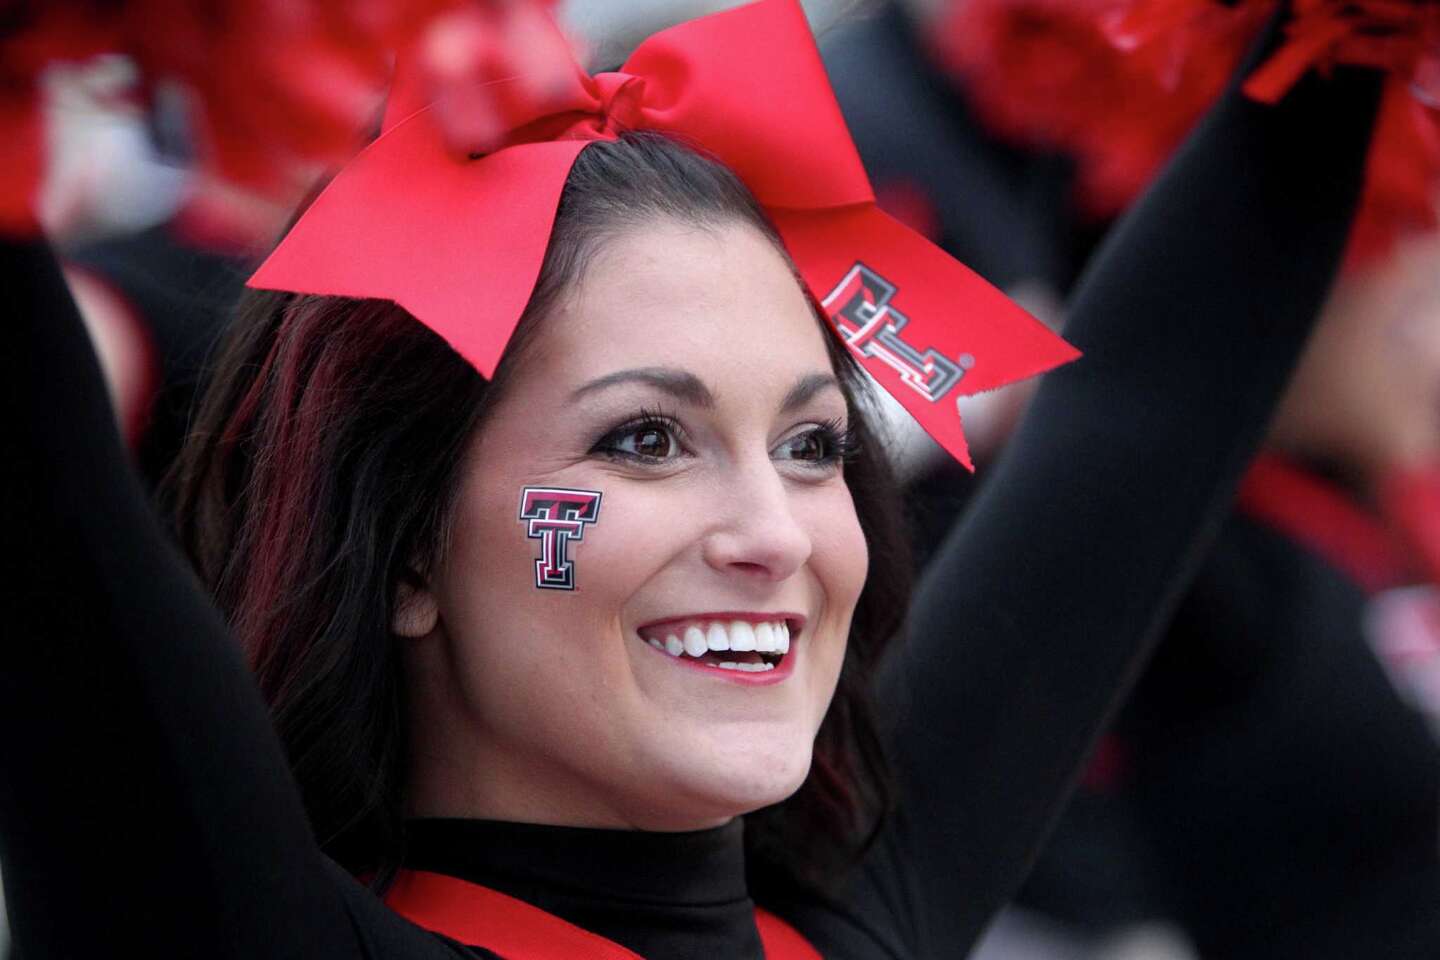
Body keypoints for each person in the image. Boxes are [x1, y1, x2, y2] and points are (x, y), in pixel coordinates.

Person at [0, 1, 1383, 957]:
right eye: (645, 439)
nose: (773, 533)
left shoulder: (862, 915)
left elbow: (1147, 408)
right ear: (410, 549)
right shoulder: (231, 929)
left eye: (813, 443)